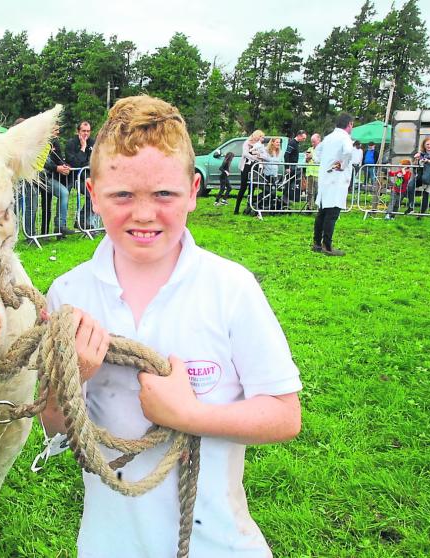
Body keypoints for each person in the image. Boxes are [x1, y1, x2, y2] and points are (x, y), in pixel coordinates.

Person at [40, 95, 302, 557]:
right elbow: (58, 429)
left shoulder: (230, 287)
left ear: (194, 191)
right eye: (122, 195)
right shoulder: (68, 295)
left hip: (216, 544)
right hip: (108, 545)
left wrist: (189, 417)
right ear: (93, 194)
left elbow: (284, 414)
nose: (144, 214)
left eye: (164, 194)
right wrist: (70, 377)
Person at [312, 113, 354, 256]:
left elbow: (316, 152)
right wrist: (342, 163)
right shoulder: (345, 138)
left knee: (322, 212)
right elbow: (348, 151)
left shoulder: (328, 137)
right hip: (337, 179)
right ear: (349, 124)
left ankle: (317, 243)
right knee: (332, 214)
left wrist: (324, 162)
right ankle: (327, 246)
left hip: (325, 178)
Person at [42, 126, 74, 236]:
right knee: (44, 206)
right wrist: (57, 168)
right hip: (41, 178)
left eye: (58, 129)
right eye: (55, 129)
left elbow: (59, 160)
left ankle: (59, 226)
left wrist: (66, 167)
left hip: (50, 178)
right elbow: (42, 162)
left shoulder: (55, 142)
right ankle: (42, 233)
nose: (58, 131)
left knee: (62, 194)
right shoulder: (40, 142)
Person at [65, 121, 96, 228]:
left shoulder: (93, 143)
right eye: (83, 131)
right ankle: (81, 221)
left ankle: (82, 220)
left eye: (88, 131)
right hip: (74, 178)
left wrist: (84, 163)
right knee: (90, 193)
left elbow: (93, 161)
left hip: (88, 176)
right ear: (78, 131)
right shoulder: (71, 143)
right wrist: (83, 148)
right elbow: (75, 163)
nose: (86, 134)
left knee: (95, 195)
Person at [233, 129, 267, 215]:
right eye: (260, 136)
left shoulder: (259, 145)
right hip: (246, 166)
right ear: (256, 135)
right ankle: (236, 208)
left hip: (255, 166)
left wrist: (260, 156)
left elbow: (263, 155)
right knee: (243, 187)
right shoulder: (247, 142)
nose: (261, 138)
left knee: (252, 187)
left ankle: (249, 208)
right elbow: (245, 154)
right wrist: (255, 158)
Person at [408, 136, 430, 219]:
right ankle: (411, 206)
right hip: (420, 174)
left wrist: (427, 160)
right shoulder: (421, 152)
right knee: (410, 185)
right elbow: (416, 164)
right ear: (424, 145)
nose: (429, 146)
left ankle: (421, 214)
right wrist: (416, 159)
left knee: (426, 193)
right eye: (427, 144)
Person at [283, 130, 307, 207]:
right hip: (290, 166)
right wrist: (287, 167)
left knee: (291, 183)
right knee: (288, 183)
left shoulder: (296, 144)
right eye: (303, 138)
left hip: (294, 166)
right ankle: (284, 199)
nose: (304, 140)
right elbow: (286, 154)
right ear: (299, 136)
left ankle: (287, 199)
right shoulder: (292, 143)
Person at [260, 137, 283, 209]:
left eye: (279, 142)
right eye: (277, 142)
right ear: (272, 142)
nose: (278, 144)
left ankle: (272, 206)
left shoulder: (279, 151)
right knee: (266, 190)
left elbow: (278, 161)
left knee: (273, 191)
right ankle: (261, 202)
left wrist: (269, 159)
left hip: (274, 174)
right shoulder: (266, 150)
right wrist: (271, 160)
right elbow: (264, 158)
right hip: (266, 173)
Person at [303, 133, 321, 210]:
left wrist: (312, 157)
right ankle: (310, 206)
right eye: (312, 142)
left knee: (317, 191)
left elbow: (321, 160)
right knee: (310, 192)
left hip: (318, 174)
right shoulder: (310, 149)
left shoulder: (322, 149)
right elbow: (306, 161)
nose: (312, 143)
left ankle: (318, 207)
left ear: (319, 140)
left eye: (314, 141)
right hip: (310, 173)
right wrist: (307, 159)